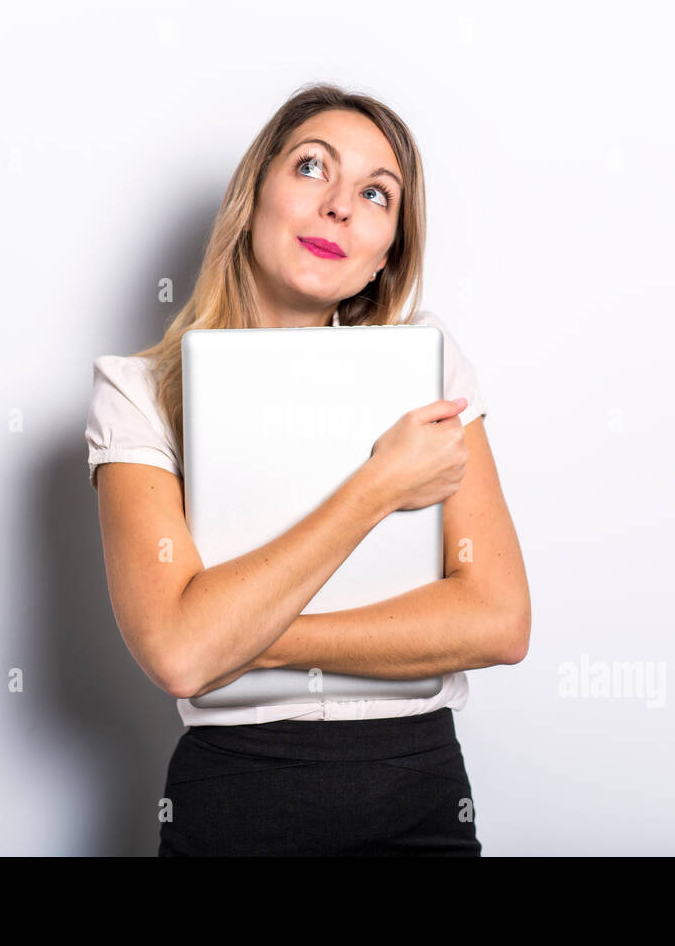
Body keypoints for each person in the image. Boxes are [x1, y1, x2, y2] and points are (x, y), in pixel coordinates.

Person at [86, 83, 530, 856]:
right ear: (252, 196)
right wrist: (378, 486)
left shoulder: (429, 365)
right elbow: (181, 653)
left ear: (385, 253)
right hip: (233, 800)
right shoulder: (137, 390)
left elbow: (499, 619)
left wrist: (259, 638)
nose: (340, 207)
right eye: (312, 167)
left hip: (417, 798)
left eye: (375, 194)